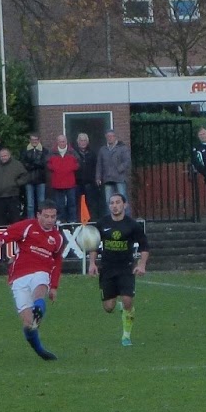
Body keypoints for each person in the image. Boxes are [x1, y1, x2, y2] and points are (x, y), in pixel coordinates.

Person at [0, 198, 67, 360]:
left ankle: (38, 309)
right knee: (28, 324)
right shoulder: (27, 226)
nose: (50, 220)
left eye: (53, 217)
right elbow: (5, 234)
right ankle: (40, 350)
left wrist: (54, 286)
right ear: (38, 215)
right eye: (46, 216)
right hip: (18, 276)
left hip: (41, 271)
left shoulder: (57, 238)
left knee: (40, 288)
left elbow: (57, 261)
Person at [87, 192, 149, 346]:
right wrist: (92, 263)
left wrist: (141, 264)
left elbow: (144, 246)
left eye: (118, 202)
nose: (114, 206)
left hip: (126, 268)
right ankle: (122, 308)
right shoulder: (102, 224)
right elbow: (94, 245)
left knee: (128, 300)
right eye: (112, 203)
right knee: (109, 307)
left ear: (124, 205)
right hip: (107, 268)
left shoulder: (132, 225)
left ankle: (126, 336)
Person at [0, 146, 28, 226]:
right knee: (0, 219)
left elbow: (25, 176)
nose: (3, 158)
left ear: (9, 155)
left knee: (15, 219)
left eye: (5, 155)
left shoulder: (17, 164)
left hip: (13, 196)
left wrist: (16, 183)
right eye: (1, 156)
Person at [97, 129, 132, 213]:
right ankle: (110, 218)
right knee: (109, 201)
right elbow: (99, 164)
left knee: (123, 199)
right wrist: (98, 177)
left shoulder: (122, 148)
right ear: (106, 137)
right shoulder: (103, 150)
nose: (110, 138)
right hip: (108, 179)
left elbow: (127, 161)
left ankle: (126, 218)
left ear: (115, 137)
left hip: (120, 178)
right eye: (108, 136)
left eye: (111, 136)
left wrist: (120, 169)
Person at [45, 135, 79, 218]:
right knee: (59, 204)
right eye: (60, 141)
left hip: (70, 182)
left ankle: (72, 220)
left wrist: (70, 168)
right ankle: (61, 220)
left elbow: (78, 163)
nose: (62, 143)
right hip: (57, 183)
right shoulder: (52, 152)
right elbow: (47, 163)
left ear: (66, 142)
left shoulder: (72, 152)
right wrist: (55, 168)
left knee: (72, 203)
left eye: (63, 141)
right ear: (57, 142)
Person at [72, 132, 100, 223]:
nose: (83, 142)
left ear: (87, 142)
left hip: (89, 182)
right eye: (81, 140)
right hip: (77, 182)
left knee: (91, 203)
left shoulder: (92, 154)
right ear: (78, 142)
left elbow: (96, 167)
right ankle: (79, 222)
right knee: (78, 203)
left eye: (84, 141)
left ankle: (92, 221)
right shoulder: (73, 153)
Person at [21, 133, 48, 219]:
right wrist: (35, 164)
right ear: (30, 140)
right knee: (30, 204)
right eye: (32, 140)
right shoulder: (25, 151)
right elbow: (23, 164)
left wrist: (32, 164)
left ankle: (41, 220)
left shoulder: (44, 151)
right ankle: (31, 221)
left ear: (39, 140)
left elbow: (44, 164)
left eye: (36, 140)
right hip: (29, 180)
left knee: (41, 203)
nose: (34, 141)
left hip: (41, 179)